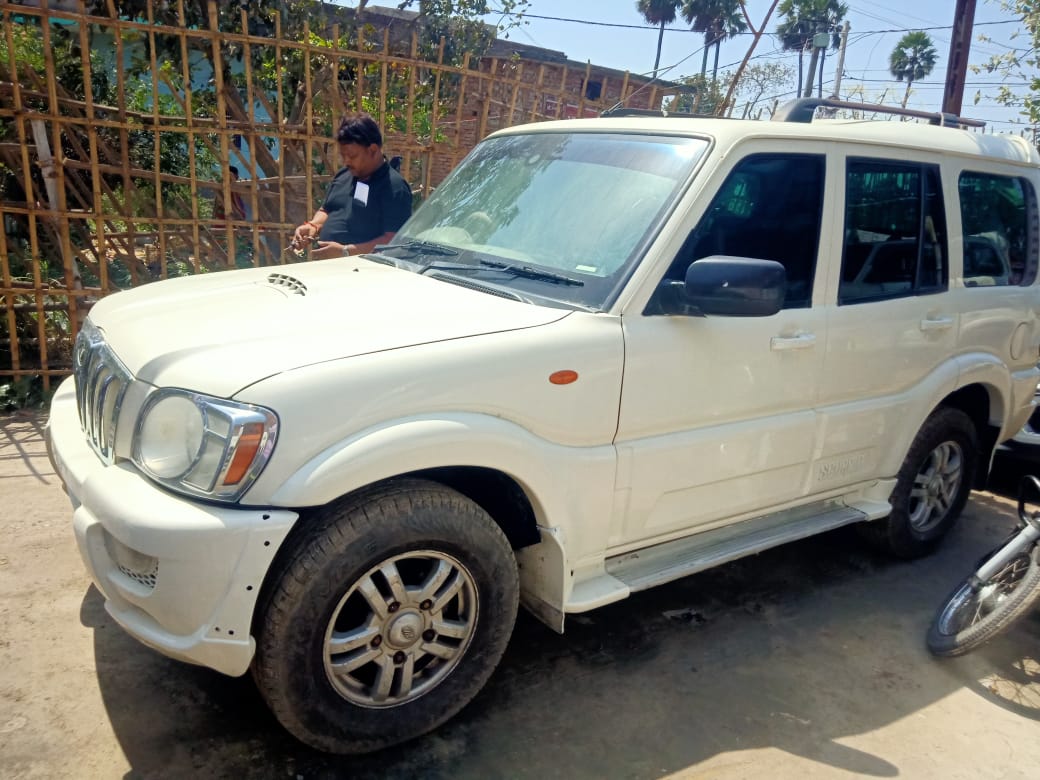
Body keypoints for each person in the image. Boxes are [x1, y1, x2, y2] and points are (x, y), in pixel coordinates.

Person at [293, 113, 412, 260]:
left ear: (373, 150)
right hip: (328, 270)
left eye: (352, 156)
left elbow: (394, 241)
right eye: (343, 156)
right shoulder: (344, 174)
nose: (347, 162)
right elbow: (327, 209)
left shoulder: (395, 187)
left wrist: (346, 251)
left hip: (360, 274)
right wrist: (313, 226)